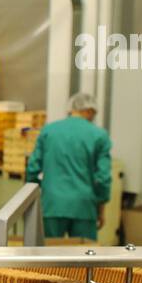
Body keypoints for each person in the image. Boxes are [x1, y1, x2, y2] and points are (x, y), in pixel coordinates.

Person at [25, 92, 112, 240]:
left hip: (52, 205)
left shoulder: (49, 131)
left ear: (71, 109)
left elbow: (32, 169)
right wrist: (100, 206)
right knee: (84, 258)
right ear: (89, 111)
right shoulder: (99, 135)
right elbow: (103, 178)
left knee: (48, 258)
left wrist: (44, 189)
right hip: (84, 206)